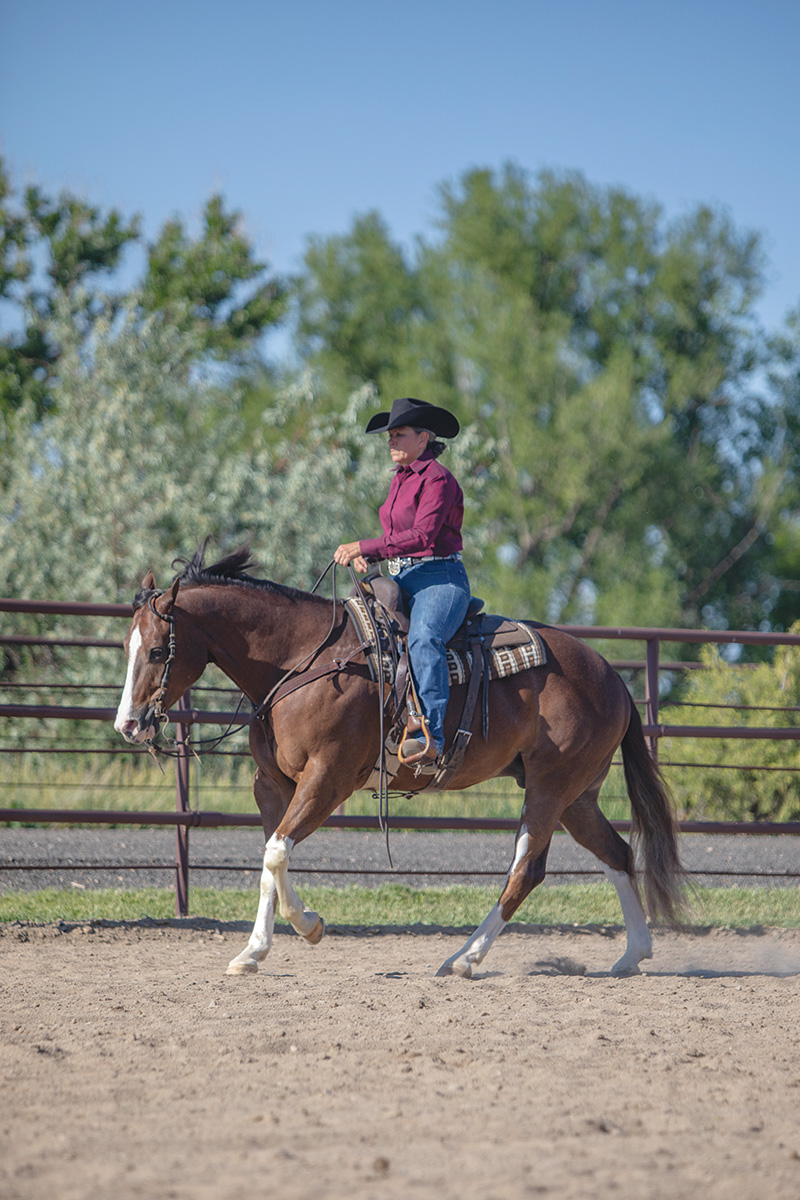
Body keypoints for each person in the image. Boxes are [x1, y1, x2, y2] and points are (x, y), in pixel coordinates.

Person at [334, 396, 471, 768]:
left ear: (423, 439)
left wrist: (365, 546)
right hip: (403, 576)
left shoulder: (438, 479)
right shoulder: (401, 479)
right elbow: (398, 538)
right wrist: (371, 556)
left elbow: (423, 535)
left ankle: (430, 736)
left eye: (399, 434)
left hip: (440, 580)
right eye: (390, 435)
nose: (391, 441)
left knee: (424, 639)